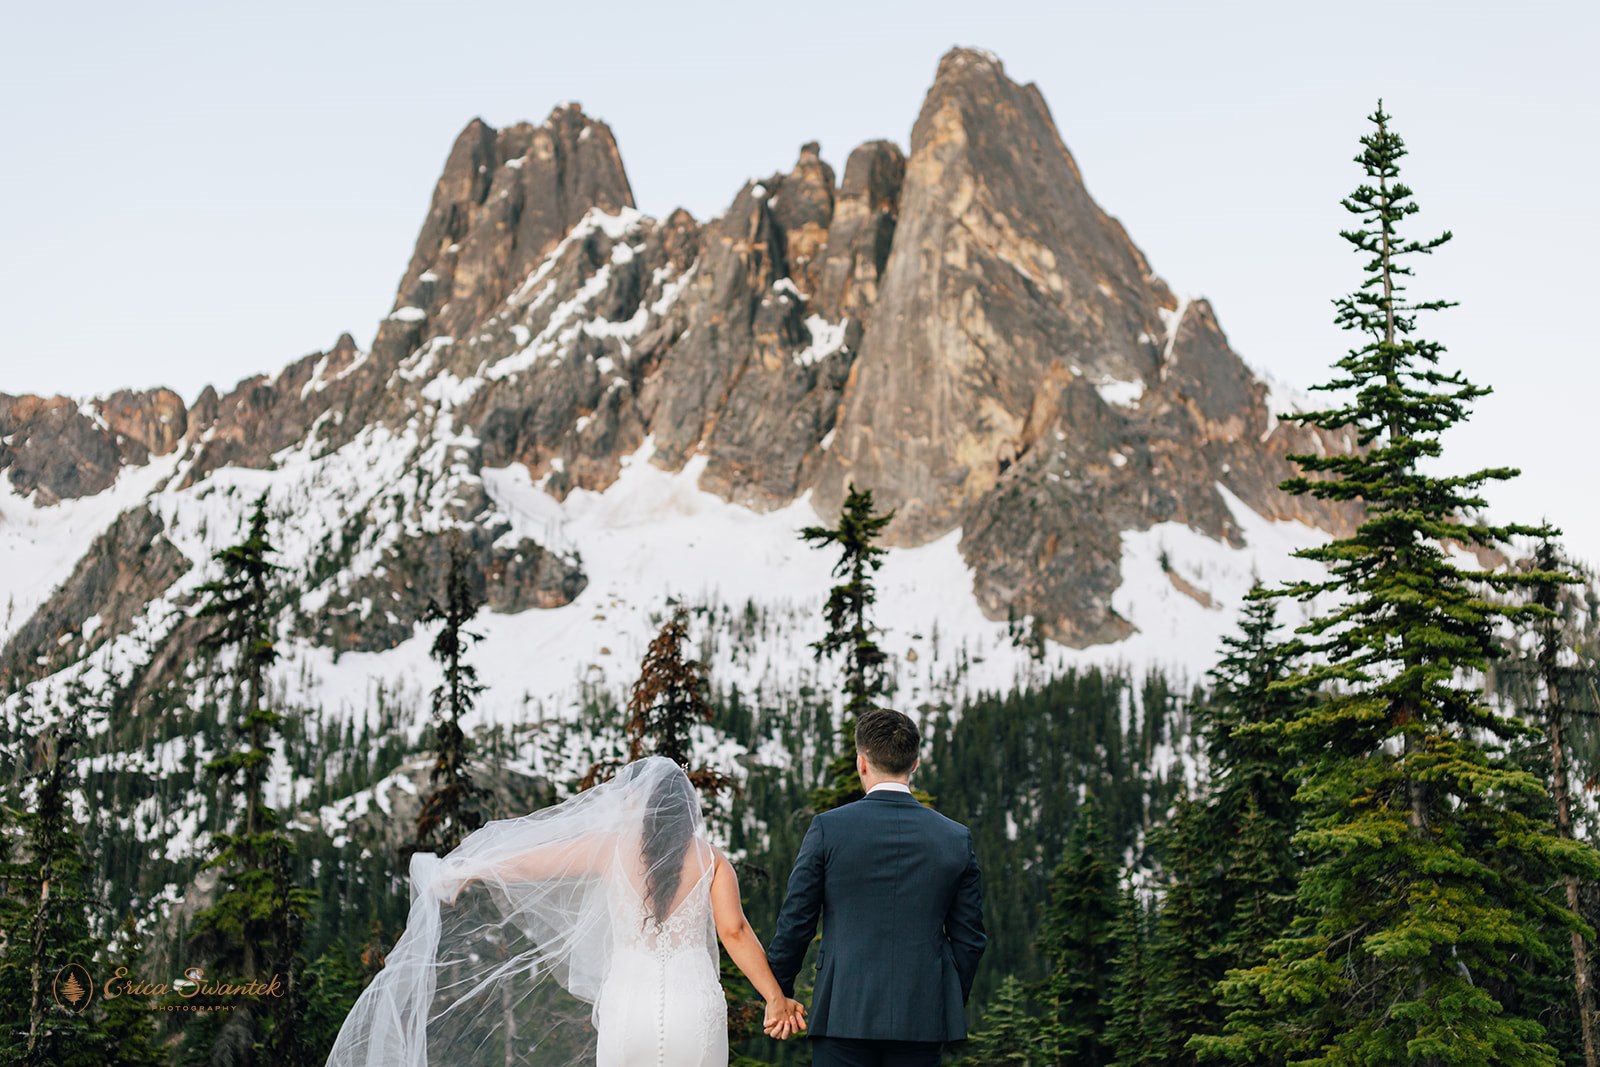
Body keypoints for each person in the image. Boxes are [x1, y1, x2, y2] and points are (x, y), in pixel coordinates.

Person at [323, 756, 805, 1066]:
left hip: (628, 1007)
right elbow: (736, 931)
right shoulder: (711, 860)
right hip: (693, 1007)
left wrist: (469, 868)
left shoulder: (610, 849)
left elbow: (531, 862)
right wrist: (774, 998)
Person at [764, 707, 987, 1066]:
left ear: (861, 762)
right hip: (923, 1019)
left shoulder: (828, 829)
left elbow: (796, 923)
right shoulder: (955, 838)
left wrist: (777, 993)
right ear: (914, 763)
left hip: (843, 1013)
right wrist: (941, 999)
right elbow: (970, 938)